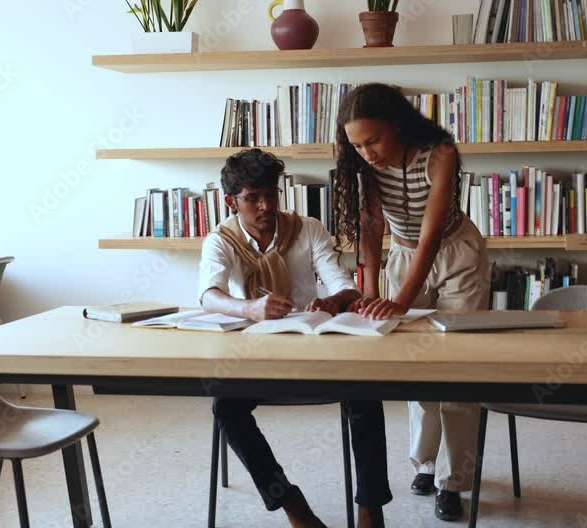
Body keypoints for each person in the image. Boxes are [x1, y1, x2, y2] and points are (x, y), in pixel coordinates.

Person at [198, 148, 392, 528]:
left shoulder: (308, 228)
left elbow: (345, 286)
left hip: (315, 347)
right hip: (255, 352)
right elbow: (209, 296)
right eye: (252, 198)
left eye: (271, 194)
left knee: (366, 390)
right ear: (230, 201)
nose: (265, 205)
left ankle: (370, 507)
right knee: (225, 406)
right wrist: (251, 308)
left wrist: (335, 301)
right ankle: (291, 503)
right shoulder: (220, 240)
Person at [332, 83, 491, 522]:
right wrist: (369, 292)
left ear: (397, 125)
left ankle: (452, 481)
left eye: (374, 141)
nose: (367, 153)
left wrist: (400, 300)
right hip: (403, 255)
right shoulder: (365, 167)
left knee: (459, 371)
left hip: (455, 254)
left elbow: (431, 234)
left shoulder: (439, 153)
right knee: (415, 366)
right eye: (357, 145)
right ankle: (423, 464)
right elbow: (371, 229)